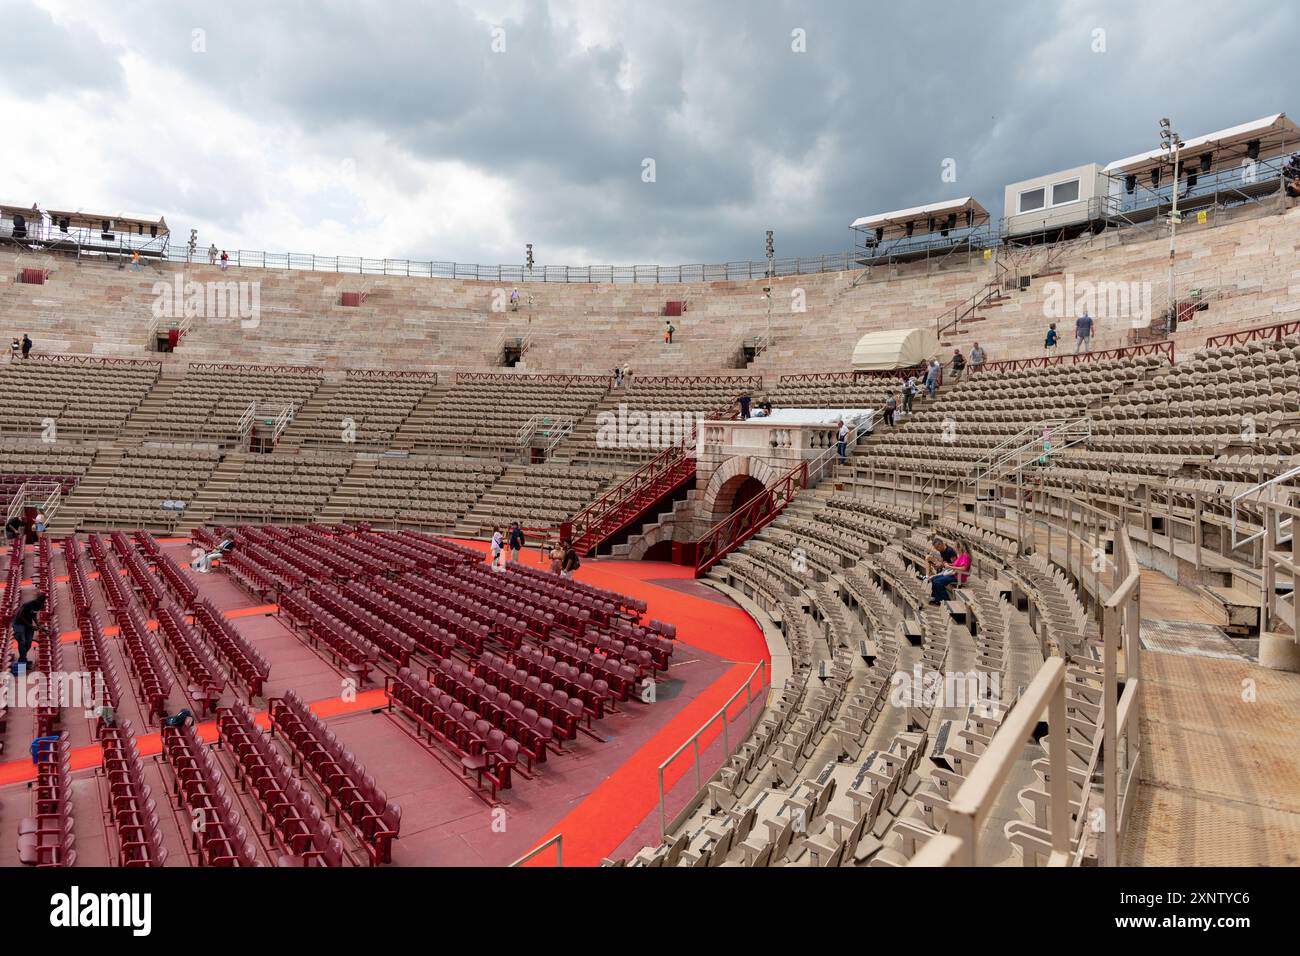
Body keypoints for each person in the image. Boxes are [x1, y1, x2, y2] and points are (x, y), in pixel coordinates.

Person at [12, 593, 48, 671]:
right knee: (22, 642)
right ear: (37, 599)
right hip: (19, 624)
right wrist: (31, 626)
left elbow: (33, 615)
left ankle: (23, 659)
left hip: (28, 624)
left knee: (28, 643)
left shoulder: (39, 606)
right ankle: (22, 663)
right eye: (40, 600)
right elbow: (20, 616)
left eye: (42, 601)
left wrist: (38, 625)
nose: (41, 602)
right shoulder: (28, 604)